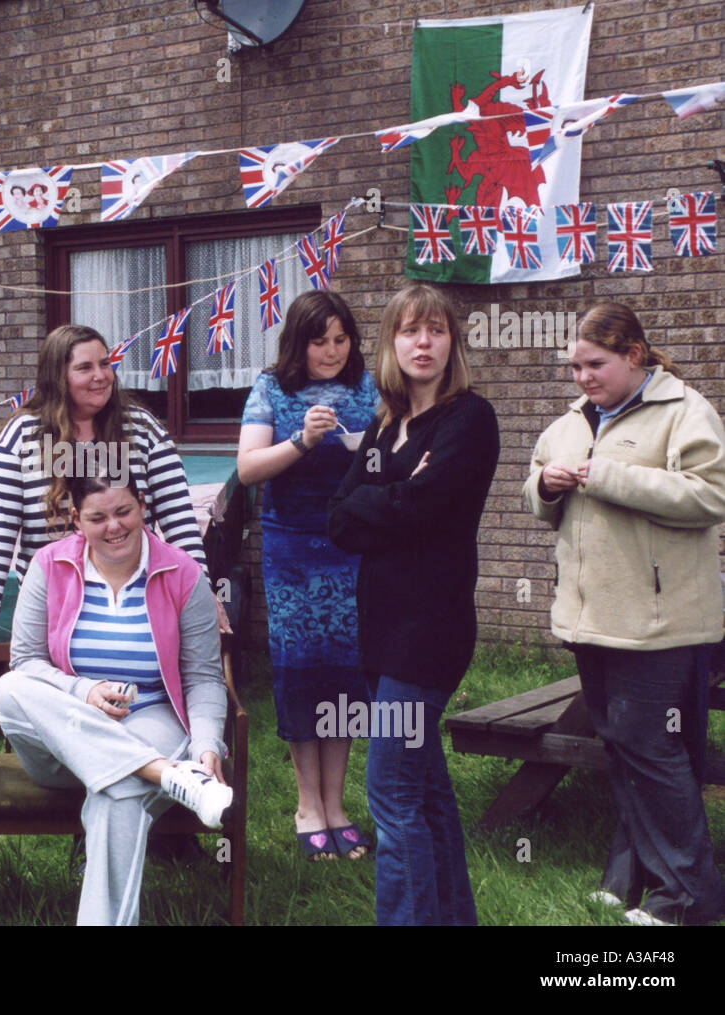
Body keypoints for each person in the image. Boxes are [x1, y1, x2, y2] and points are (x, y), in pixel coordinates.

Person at [523, 302, 725, 926]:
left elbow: (709, 495)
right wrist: (548, 487)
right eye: (575, 366)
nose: (582, 377)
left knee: (654, 750)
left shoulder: (685, 411)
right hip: (591, 621)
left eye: (596, 364)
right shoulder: (568, 423)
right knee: (623, 747)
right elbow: (534, 494)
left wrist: (604, 475)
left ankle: (690, 900)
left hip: (660, 626)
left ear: (634, 355)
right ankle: (631, 875)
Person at [327, 284, 498, 926]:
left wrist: (391, 498)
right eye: (408, 331)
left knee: (390, 797)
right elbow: (340, 520)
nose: (421, 343)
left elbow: (426, 507)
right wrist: (403, 487)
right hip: (379, 627)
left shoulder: (468, 419)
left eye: (434, 331)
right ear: (391, 343)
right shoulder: (383, 424)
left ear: (451, 342)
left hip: (428, 634)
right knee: (425, 793)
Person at [0, 473, 231, 926]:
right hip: (66, 740)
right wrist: (83, 690)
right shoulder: (49, 565)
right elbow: (25, 662)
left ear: (142, 505)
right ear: (76, 519)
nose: (113, 527)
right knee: (7, 689)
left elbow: (202, 677)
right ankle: (167, 774)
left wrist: (206, 746)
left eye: (123, 512)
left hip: (152, 719)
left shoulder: (183, 573)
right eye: (97, 517)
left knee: (117, 794)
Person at [237, 290, 379, 861]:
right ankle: (306, 805)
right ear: (299, 341)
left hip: (354, 545)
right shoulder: (272, 388)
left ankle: (337, 804)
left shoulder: (370, 387)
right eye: (320, 341)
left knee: (344, 670)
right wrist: (301, 441)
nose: (332, 351)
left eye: (341, 339)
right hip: (293, 548)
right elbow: (248, 469)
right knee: (301, 670)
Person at [0, 324, 214, 645]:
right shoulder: (22, 435)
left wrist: (205, 595)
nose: (101, 375)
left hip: (134, 598)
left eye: (105, 363)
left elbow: (180, 521)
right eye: (85, 367)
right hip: (51, 603)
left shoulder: (141, 428)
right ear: (58, 377)